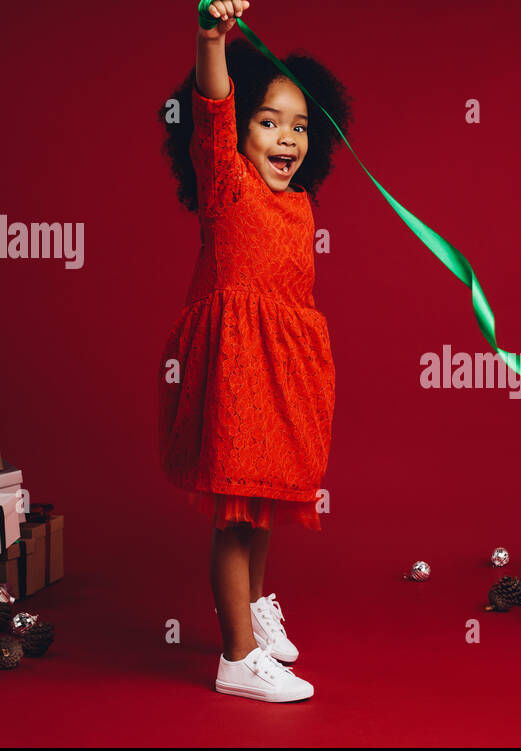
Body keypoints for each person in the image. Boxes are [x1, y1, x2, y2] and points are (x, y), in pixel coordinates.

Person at [157, 0, 353, 702]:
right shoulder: (227, 184)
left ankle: (256, 609)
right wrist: (212, 39)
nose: (286, 139)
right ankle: (237, 658)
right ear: (239, 129)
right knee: (236, 515)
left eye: (300, 126)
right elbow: (211, 108)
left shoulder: (298, 203)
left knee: (265, 501)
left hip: (286, 365)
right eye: (269, 120)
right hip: (237, 368)